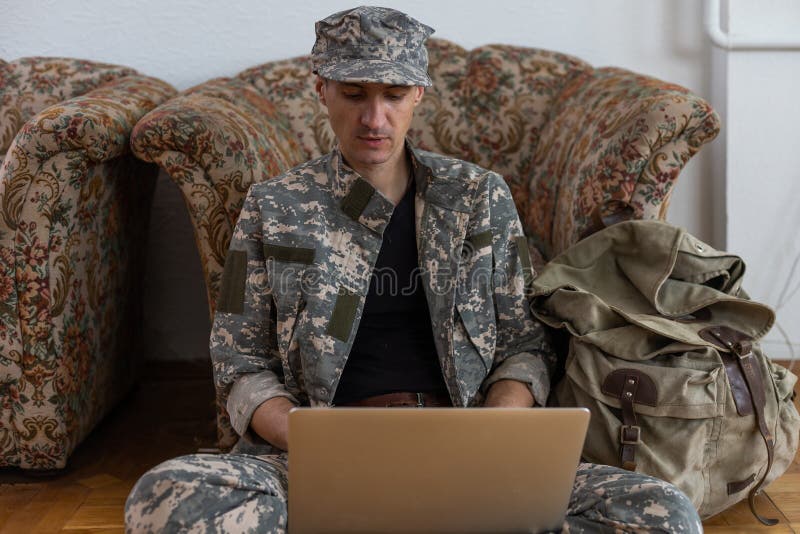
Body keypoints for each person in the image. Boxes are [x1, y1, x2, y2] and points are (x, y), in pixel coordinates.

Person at [125, 6, 702, 533]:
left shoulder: (479, 198)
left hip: (467, 451)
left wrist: (493, 433)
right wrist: (308, 438)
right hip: (318, 456)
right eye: (353, 93)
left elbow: (526, 346)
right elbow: (239, 362)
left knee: (666, 515)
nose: (374, 117)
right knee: (164, 500)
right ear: (321, 89)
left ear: (419, 95)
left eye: (394, 94)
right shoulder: (272, 207)